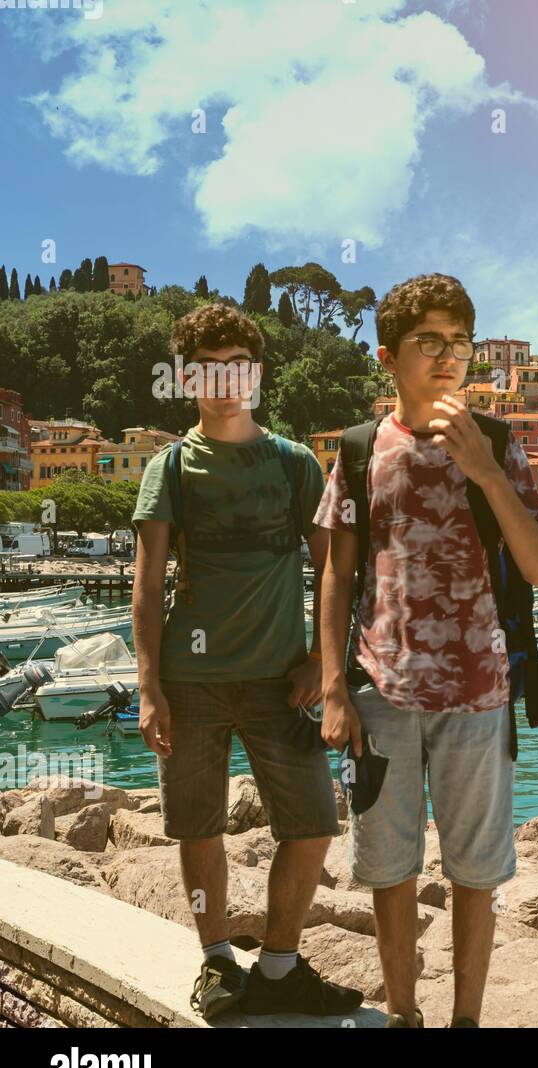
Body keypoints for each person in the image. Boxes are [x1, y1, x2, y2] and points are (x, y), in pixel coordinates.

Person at [316, 273, 538, 1028]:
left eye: (460, 341)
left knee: (475, 872)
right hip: (380, 692)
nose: (448, 355)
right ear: (389, 355)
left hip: (481, 694)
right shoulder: (359, 450)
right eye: (429, 342)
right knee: (389, 867)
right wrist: (330, 687)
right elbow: (337, 572)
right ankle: (403, 1012)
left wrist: (483, 467)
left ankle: (467, 1020)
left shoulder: (502, 444)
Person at [132, 304, 363, 1021]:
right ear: (187, 376)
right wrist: (147, 687)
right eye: (208, 368)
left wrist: (325, 665)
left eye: (237, 366)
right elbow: (145, 585)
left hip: (277, 678)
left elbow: (333, 572)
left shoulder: (295, 464)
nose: (224, 381)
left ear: (255, 373)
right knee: (197, 825)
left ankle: (282, 965)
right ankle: (216, 963)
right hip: (188, 681)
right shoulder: (168, 465)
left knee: (315, 821)